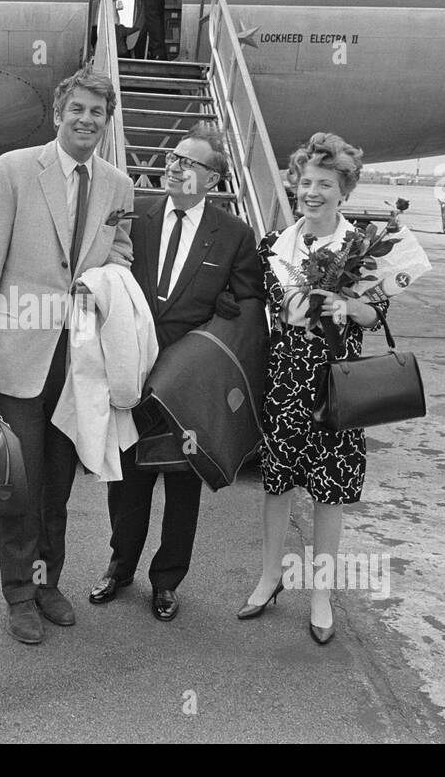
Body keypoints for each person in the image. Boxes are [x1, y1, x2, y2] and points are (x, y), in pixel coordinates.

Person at [0, 68, 134, 645]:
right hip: (20, 352)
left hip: (80, 357)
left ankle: (47, 582)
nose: (87, 120)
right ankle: (18, 594)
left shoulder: (116, 183)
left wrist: (105, 281)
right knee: (21, 481)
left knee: (59, 481)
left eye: (97, 113)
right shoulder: (12, 170)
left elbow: (124, 254)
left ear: (106, 122)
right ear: (59, 112)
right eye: (78, 109)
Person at [90, 124, 263, 621]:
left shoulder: (233, 235)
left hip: (188, 383)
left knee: (183, 489)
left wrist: (220, 335)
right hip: (133, 369)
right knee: (125, 481)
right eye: (172, 157)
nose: (174, 167)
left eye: (189, 163)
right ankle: (119, 568)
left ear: (212, 179)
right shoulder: (136, 216)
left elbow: (250, 302)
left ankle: (166, 582)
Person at [240, 133, 388, 646]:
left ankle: (321, 592)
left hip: (335, 386)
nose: (313, 192)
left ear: (343, 191)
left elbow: (377, 314)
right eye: (306, 182)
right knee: (276, 486)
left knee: (330, 493)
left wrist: (345, 307)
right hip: (284, 382)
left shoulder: (360, 250)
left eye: (325, 184)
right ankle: (268, 577)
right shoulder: (274, 247)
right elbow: (256, 312)